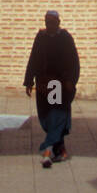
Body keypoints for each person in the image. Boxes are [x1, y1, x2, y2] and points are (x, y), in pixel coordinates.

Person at [24, 9, 80, 168]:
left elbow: (73, 61)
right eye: (47, 22)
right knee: (47, 117)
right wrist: (29, 80)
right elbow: (33, 58)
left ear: (58, 22)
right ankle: (61, 151)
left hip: (57, 84)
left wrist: (71, 80)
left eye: (53, 22)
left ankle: (47, 150)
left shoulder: (65, 38)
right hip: (43, 83)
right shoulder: (41, 37)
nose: (50, 25)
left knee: (55, 115)